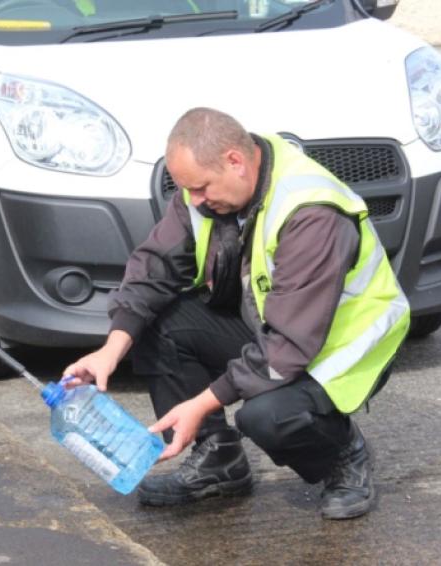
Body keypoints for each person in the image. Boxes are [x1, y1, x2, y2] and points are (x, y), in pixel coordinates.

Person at [63, 107, 409, 520]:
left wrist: (199, 405)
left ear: (235, 161)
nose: (194, 200)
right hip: (277, 328)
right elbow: (154, 267)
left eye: (200, 188)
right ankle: (219, 460)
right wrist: (112, 348)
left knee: (268, 416)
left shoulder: (310, 213)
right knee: (156, 326)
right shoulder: (209, 191)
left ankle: (344, 455)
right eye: (187, 190)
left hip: (341, 346)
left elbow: (287, 348)